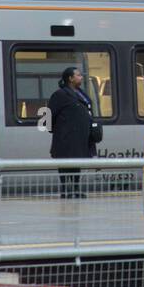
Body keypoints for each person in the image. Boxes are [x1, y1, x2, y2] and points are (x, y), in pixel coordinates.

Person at [48, 66, 97, 199]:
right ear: (70, 78)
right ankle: (64, 190)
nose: (81, 77)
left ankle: (75, 189)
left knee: (76, 163)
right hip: (65, 136)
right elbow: (48, 116)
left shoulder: (81, 93)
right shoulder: (60, 94)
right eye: (78, 75)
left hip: (80, 136)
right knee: (64, 163)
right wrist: (56, 130)